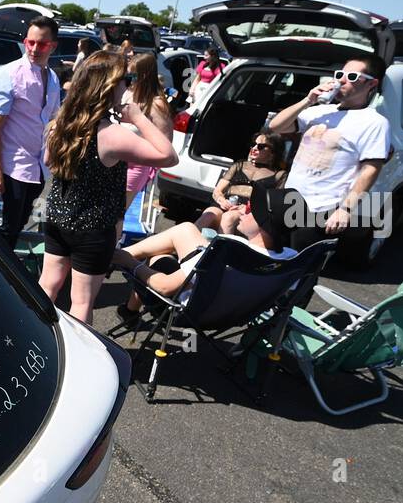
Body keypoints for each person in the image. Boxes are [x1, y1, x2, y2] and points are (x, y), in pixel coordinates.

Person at [38, 51, 179, 323]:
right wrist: (137, 117)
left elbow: (48, 161)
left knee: (48, 285)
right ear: (109, 87)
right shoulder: (110, 134)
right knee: (81, 302)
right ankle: (79, 359)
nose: (128, 86)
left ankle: (33, 335)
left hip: (57, 218)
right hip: (92, 229)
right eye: (125, 80)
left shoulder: (62, 122)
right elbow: (169, 156)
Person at [266, 55, 390, 258]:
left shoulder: (374, 122)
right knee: (269, 259)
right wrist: (307, 100)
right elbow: (276, 126)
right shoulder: (321, 111)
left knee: (298, 269)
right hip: (288, 200)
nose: (341, 80)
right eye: (340, 74)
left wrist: (345, 209)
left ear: (371, 83)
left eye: (351, 76)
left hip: (320, 209)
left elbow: (371, 169)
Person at [111, 183, 288, 315]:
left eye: (250, 210)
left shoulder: (226, 252)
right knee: (186, 230)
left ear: (263, 226)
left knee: (159, 257)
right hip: (232, 313)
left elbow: (164, 287)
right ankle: (116, 261)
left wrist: (130, 263)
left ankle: (115, 257)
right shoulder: (290, 259)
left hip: (189, 310)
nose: (242, 210)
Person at [0, 16, 63, 249]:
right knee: (6, 232)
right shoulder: (8, 75)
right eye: (30, 42)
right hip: (12, 169)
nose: (34, 49)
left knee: (20, 224)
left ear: (53, 46)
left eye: (42, 44)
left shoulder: (52, 77)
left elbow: (52, 120)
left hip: (37, 168)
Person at [118, 52, 174, 233]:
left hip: (135, 167)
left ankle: (109, 251)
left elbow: (165, 142)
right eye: (128, 74)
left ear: (144, 75)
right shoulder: (126, 93)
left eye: (132, 75)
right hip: (112, 162)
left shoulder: (156, 103)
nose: (129, 78)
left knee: (116, 214)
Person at [195, 130, 288, 233]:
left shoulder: (279, 174)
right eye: (253, 145)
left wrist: (248, 208)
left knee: (228, 218)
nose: (254, 148)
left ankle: (221, 249)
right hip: (227, 203)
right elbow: (217, 191)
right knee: (208, 215)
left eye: (260, 146)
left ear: (273, 153)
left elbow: (274, 204)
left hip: (249, 211)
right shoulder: (239, 165)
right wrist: (222, 200)